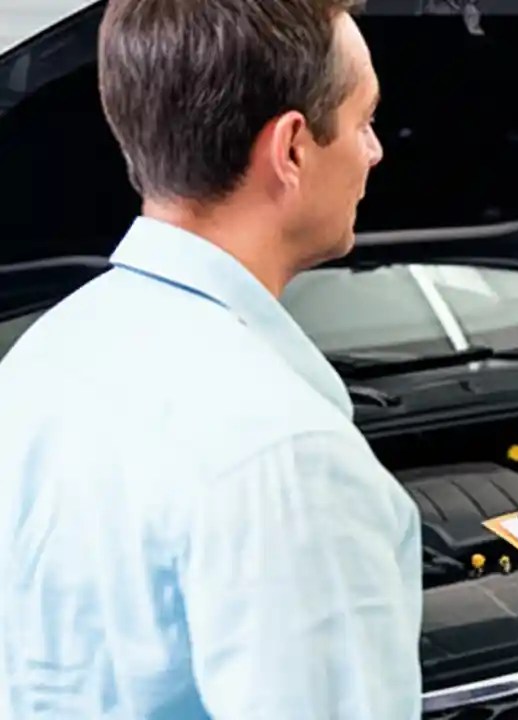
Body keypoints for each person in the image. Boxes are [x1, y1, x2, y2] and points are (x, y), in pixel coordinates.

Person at [0, 1, 422, 718]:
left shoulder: (45, 358)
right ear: (292, 149)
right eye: (365, 121)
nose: (375, 151)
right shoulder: (288, 459)